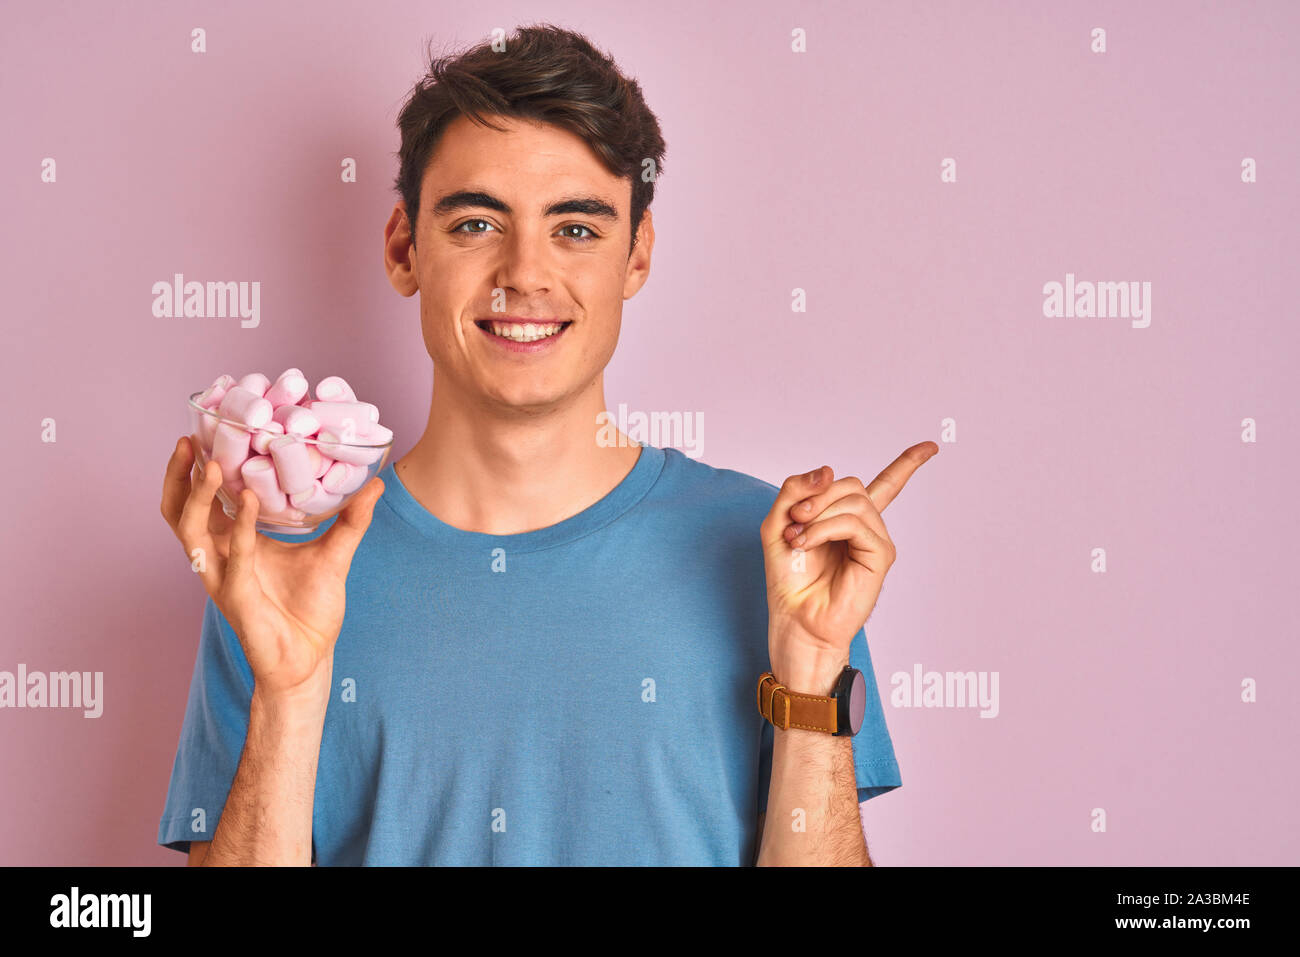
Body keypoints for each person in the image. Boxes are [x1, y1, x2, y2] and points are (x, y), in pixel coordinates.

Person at [157, 22, 936, 866]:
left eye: (576, 228)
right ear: (402, 246)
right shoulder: (280, 564)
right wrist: (290, 692)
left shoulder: (778, 557)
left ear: (636, 254)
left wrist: (812, 674)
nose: (525, 273)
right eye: (475, 224)